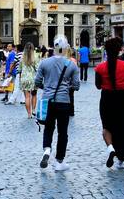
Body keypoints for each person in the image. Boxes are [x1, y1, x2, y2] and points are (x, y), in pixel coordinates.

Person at [35, 37, 80, 171]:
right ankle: (59, 161)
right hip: (63, 102)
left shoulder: (44, 63)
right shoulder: (71, 65)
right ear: (66, 48)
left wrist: (47, 88)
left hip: (48, 101)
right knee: (62, 132)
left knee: (48, 128)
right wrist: (66, 87)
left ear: (53, 47)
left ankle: (47, 150)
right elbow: (76, 85)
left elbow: (37, 82)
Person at [95, 37, 124, 170]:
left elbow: (98, 86)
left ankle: (111, 148)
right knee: (123, 128)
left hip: (107, 99)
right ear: (118, 51)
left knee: (107, 126)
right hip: (123, 99)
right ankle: (121, 157)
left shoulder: (100, 67)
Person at [19, 43, 39, 119]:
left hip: (24, 78)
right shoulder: (36, 56)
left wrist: (20, 79)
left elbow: (19, 69)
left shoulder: (22, 57)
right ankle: (33, 110)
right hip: (33, 78)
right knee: (34, 95)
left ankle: (29, 114)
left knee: (27, 97)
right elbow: (37, 68)